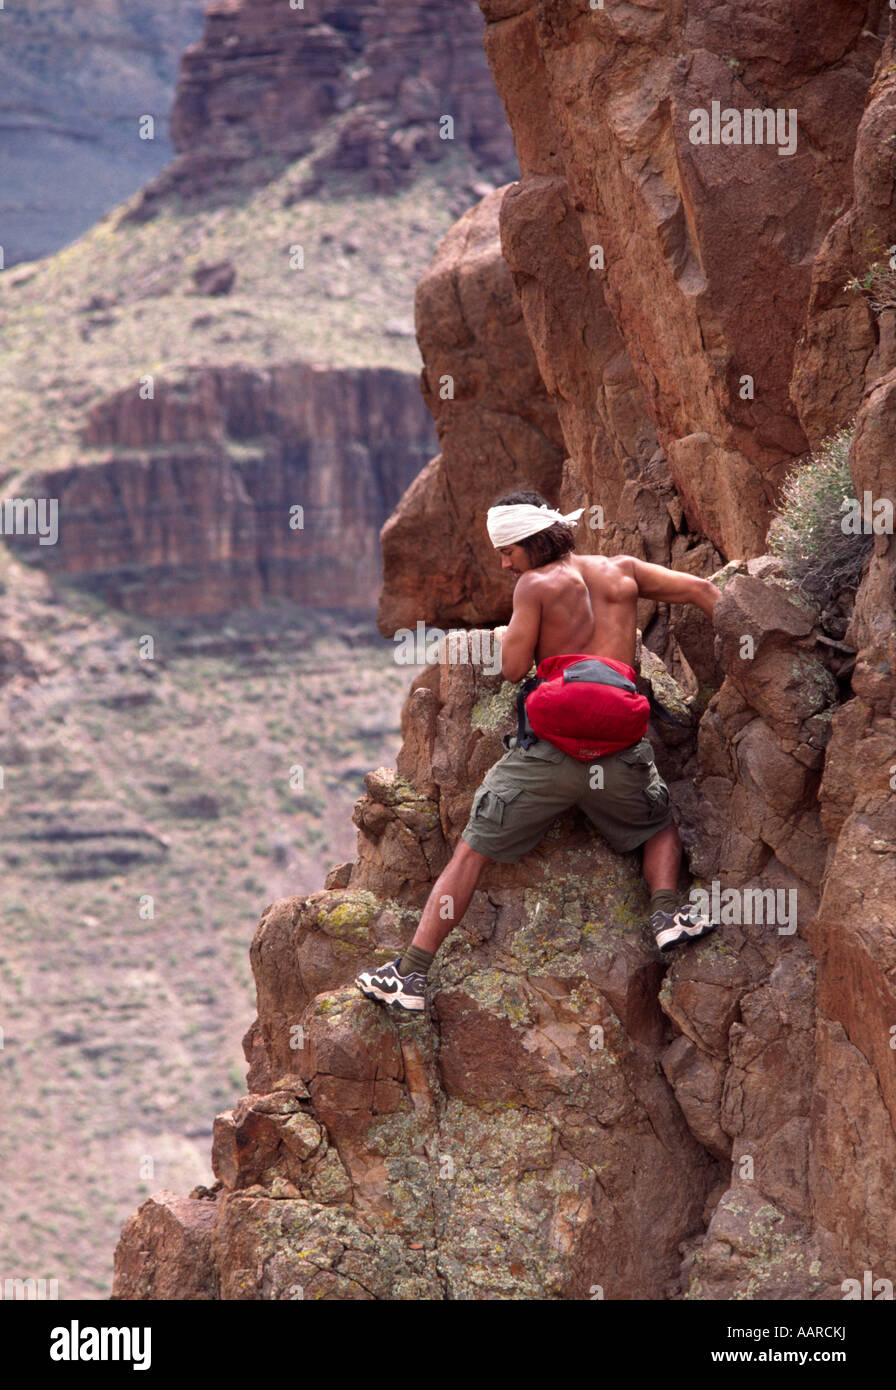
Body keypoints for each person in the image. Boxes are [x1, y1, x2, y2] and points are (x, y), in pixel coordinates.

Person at [356, 489, 721, 1013]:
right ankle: (667, 914)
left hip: (547, 755)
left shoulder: (534, 584)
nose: (505, 564)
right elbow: (704, 590)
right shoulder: (624, 571)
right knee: (658, 821)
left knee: (471, 852)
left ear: (533, 543)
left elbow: (512, 668)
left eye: (509, 551)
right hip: (618, 750)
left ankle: (411, 976)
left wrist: (511, 632)